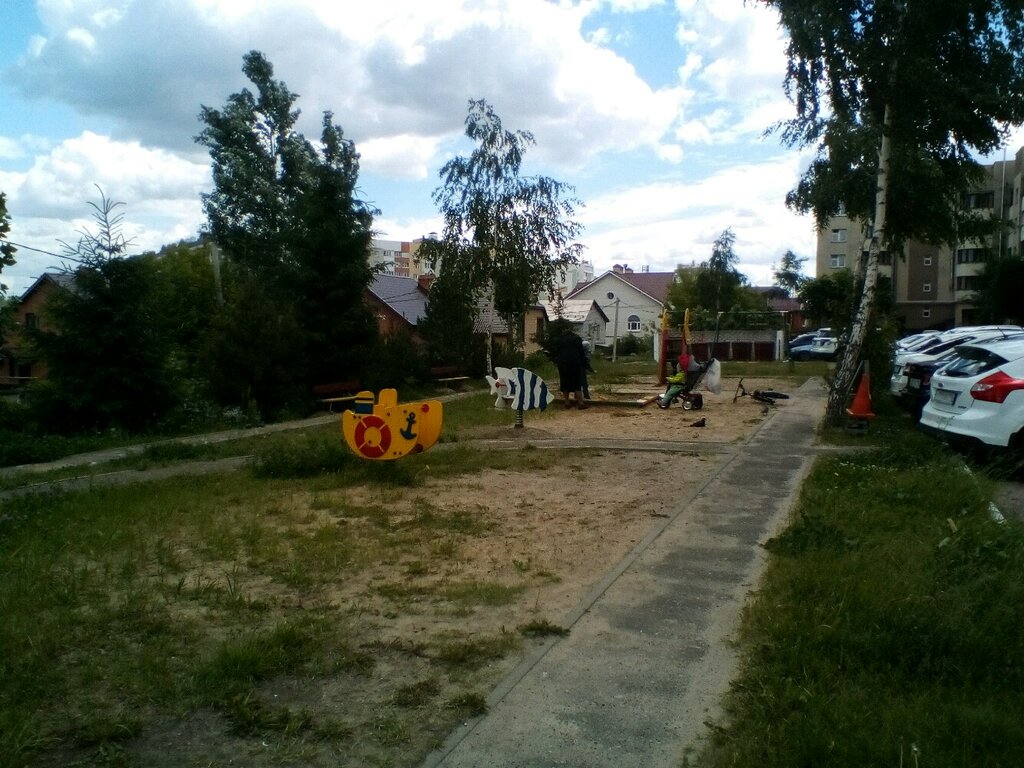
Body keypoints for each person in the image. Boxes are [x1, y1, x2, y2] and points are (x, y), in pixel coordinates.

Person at [556, 332, 588, 409]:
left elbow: (556, 352)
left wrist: (557, 362)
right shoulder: (577, 339)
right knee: (577, 383)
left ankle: (567, 402)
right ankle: (580, 403)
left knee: (564, 382)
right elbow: (581, 353)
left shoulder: (560, 340)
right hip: (574, 362)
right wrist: (584, 364)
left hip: (563, 363)